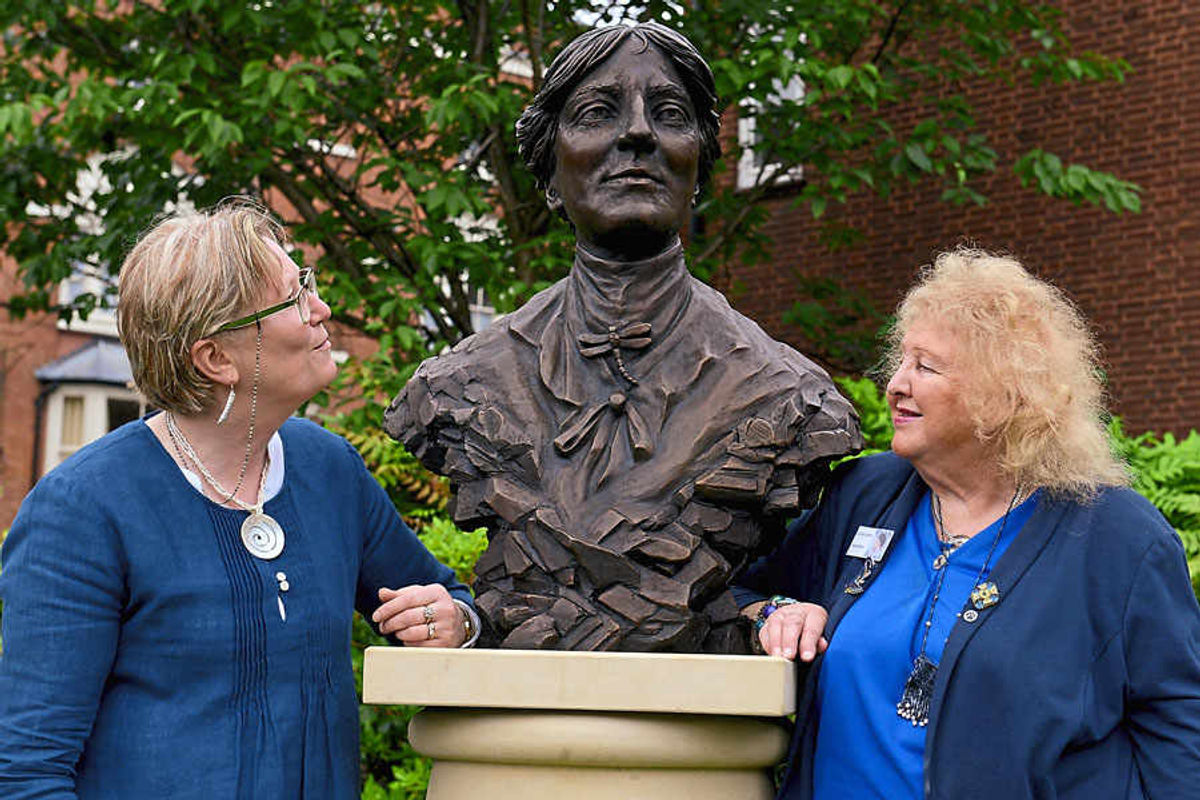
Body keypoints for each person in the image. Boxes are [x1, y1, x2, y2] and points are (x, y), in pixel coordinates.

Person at [385, 22, 859, 652]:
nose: (637, 133)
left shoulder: (791, 399)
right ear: (551, 175)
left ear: (699, 168)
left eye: (668, 114)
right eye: (597, 113)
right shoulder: (457, 388)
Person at [0, 200, 479, 799]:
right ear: (215, 359)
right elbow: (27, 771)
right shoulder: (83, 510)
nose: (321, 308)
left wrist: (452, 623)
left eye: (309, 284)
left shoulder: (328, 470)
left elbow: (451, 603)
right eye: (294, 296)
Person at [735, 248, 1200, 799]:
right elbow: (739, 587)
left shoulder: (1118, 539)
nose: (895, 384)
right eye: (901, 361)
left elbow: (1179, 731)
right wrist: (777, 612)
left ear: (1002, 396)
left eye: (925, 366)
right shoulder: (863, 495)